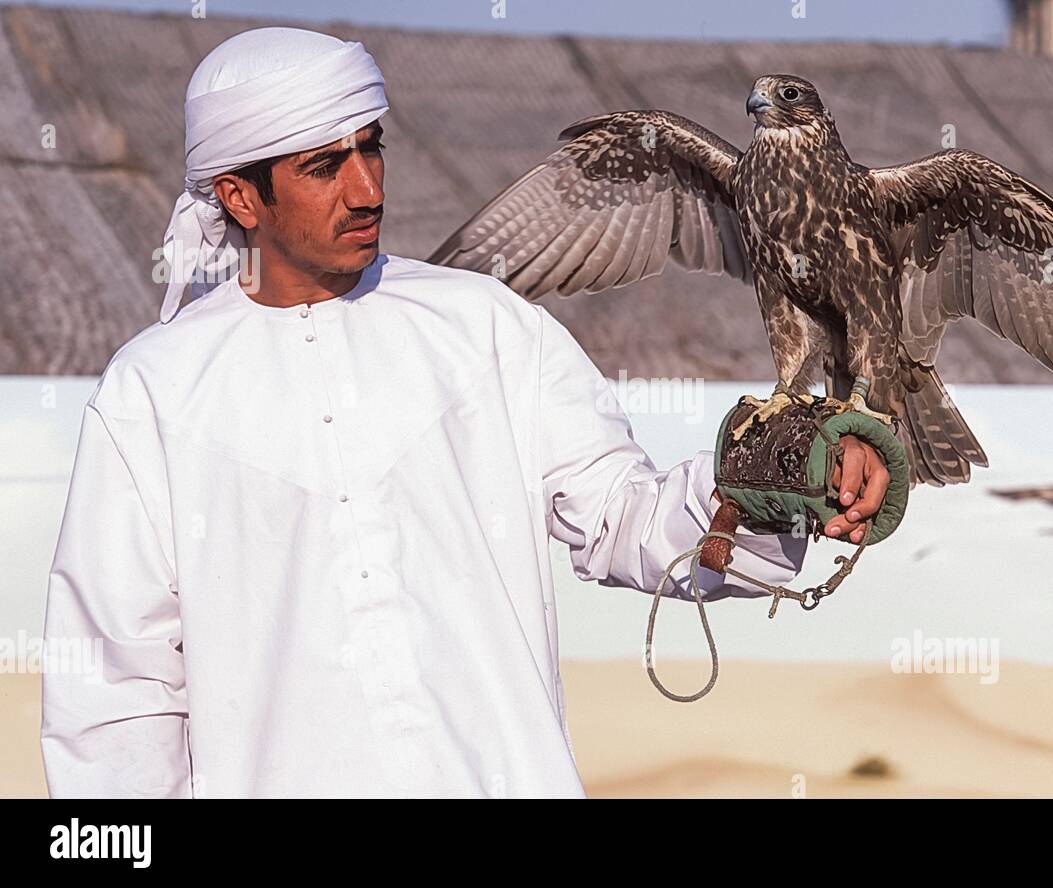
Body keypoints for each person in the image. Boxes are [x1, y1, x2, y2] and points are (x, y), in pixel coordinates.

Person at [39, 27, 887, 798]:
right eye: (324, 166)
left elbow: (625, 518)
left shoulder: (484, 326)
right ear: (239, 197)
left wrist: (786, 476)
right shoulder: (154, 391)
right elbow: (117, 690)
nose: (366, 187)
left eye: (372, 148)